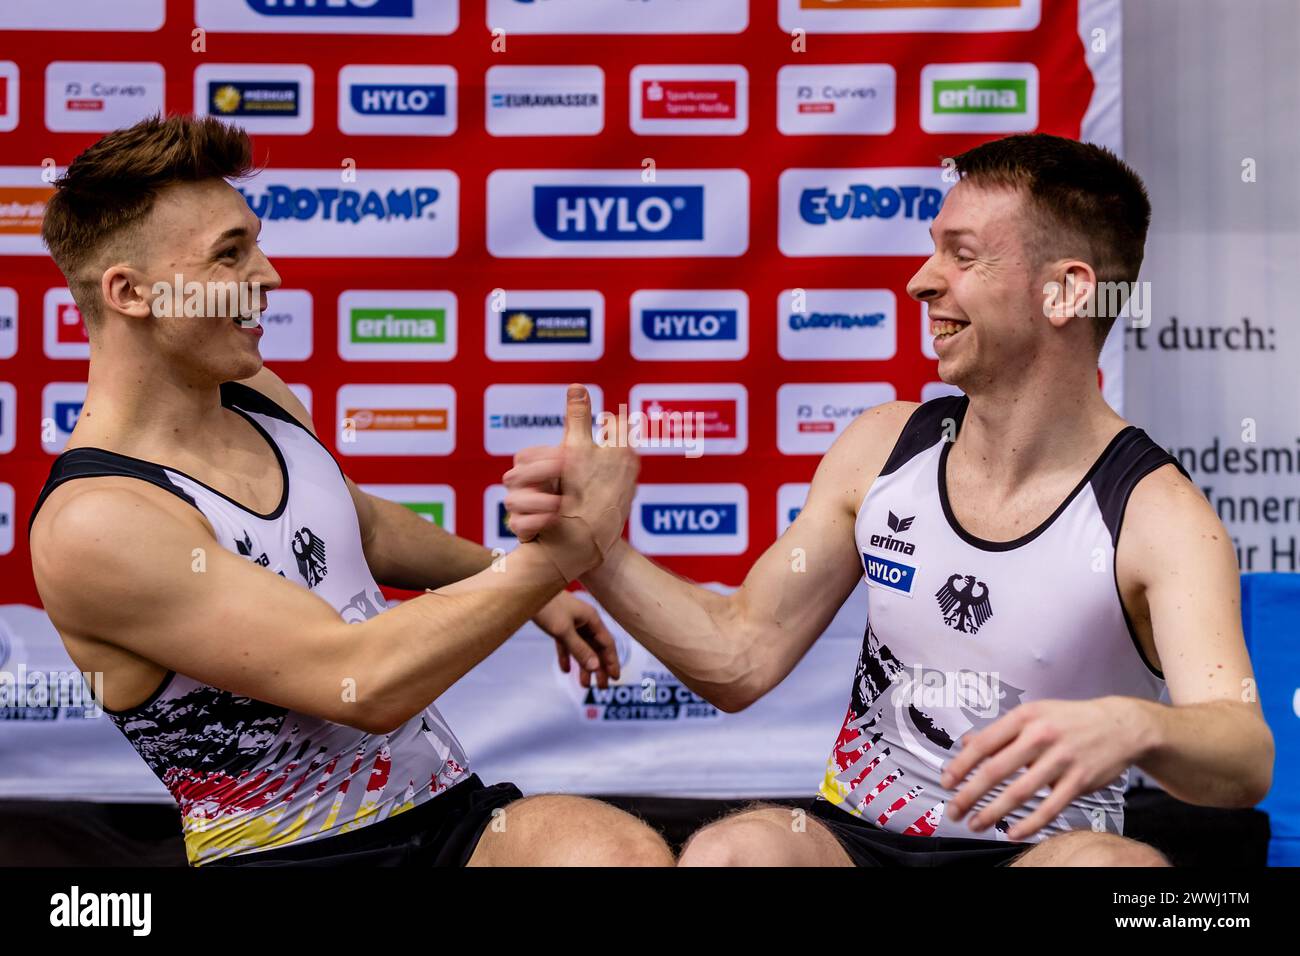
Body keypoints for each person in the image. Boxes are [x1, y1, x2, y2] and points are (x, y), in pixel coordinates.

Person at [503, 133, 1275, 867]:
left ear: (1066, 289)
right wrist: (598, 552)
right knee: (734, 850)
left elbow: (1243, 753)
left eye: (961, 255)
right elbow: (741, 655)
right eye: (933, 248)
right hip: (858, 838)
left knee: (1117, 868)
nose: (921, 279)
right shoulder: (883, 446)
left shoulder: (1161, 518)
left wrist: (1134, 723)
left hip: (1041, 850)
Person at [28, 113, 671, 867]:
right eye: (230, 256)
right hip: (294, 857)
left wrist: (510, 577)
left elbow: (357, 526)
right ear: (130, 293)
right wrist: (556, 558)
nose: (268, 276)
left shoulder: (259, 393)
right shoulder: (96, 522)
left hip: (445, 814)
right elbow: (359, 679)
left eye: (256, 243)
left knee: (612, 853)